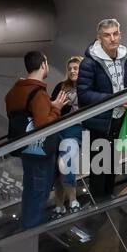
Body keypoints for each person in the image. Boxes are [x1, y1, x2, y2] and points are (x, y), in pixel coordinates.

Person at [77, 20, 127, 199]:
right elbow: (84, 95)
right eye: (107, 35)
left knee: (113, 163)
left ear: (120, 34)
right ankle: (99, 205)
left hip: (120, 118)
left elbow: (126, 82)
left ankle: (108, 199)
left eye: (115, 33)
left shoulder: (124, 55)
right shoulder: (89, 63)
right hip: (99, 122)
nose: (112, 38)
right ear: (99, 38)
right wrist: (114, 101)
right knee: (99, 167)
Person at [6, 51, 69, 227]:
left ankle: (27, 225)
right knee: (39, 192)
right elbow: (43, 126)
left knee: (30, 190)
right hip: (39, 151)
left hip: (25, 149)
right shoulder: (38, 92)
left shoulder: (14, 91)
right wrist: (56, 108)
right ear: (43, 65)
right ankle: (31, 232)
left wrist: (49, 106)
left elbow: (26, 114)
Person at [49, 57, 85, 215]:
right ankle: (59, 204)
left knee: (65, 161)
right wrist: (58, 105)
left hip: (77, 130)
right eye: (70, 68)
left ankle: (73, 200)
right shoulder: (61, 87)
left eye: (76, 68)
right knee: (58, 168)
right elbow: (51, 107)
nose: (72, 71)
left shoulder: (88, 87)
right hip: (59, 130)